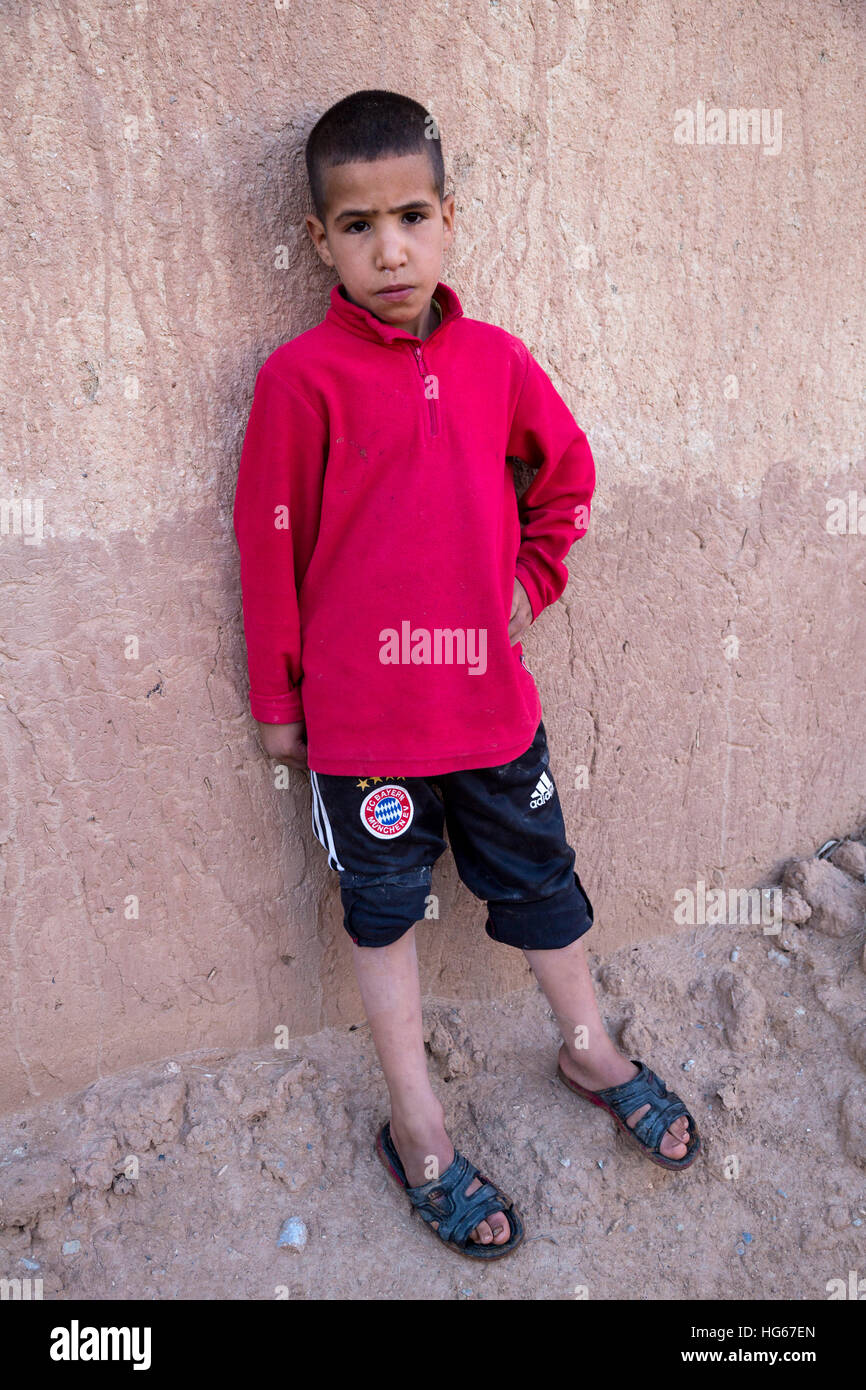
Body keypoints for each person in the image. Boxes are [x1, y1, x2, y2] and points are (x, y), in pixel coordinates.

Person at [233, 89, 700, 1261]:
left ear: (449, 217)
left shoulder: (494, 362)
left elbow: (568, 476)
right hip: (362, 732)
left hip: (490, 712)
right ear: (317, 241)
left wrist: (527, 586)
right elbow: (268, 542)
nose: (387, 248)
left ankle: (587, 1043)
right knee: (382, 911)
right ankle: (417, 1121)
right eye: (355, 225)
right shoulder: (300, 381)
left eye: (409, 215)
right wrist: (279, 702)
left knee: (539, 879)